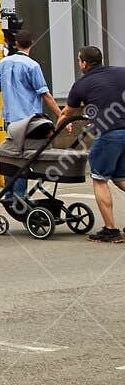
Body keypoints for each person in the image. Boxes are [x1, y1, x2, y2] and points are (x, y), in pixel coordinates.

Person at [54, 45, 125, 244]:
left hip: (108, 134)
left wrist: (55, 129)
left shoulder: (82, 84)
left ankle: (110, 231)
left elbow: (67, 113)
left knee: (100, 179)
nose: (79, 64)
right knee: (121, 177)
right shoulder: (121, 73)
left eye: (79, 61)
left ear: (84, 63)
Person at [0, 30, 62, 214]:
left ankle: (10, 195)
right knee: (25, 157)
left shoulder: (3, 63)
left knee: (11, 157)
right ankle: (20, 195)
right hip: (29, 120)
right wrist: (60, 115)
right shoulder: (32, 66)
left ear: (15, 43)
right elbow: (44, 93)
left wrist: (11, 87)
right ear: (31, 42)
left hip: (10, 119)